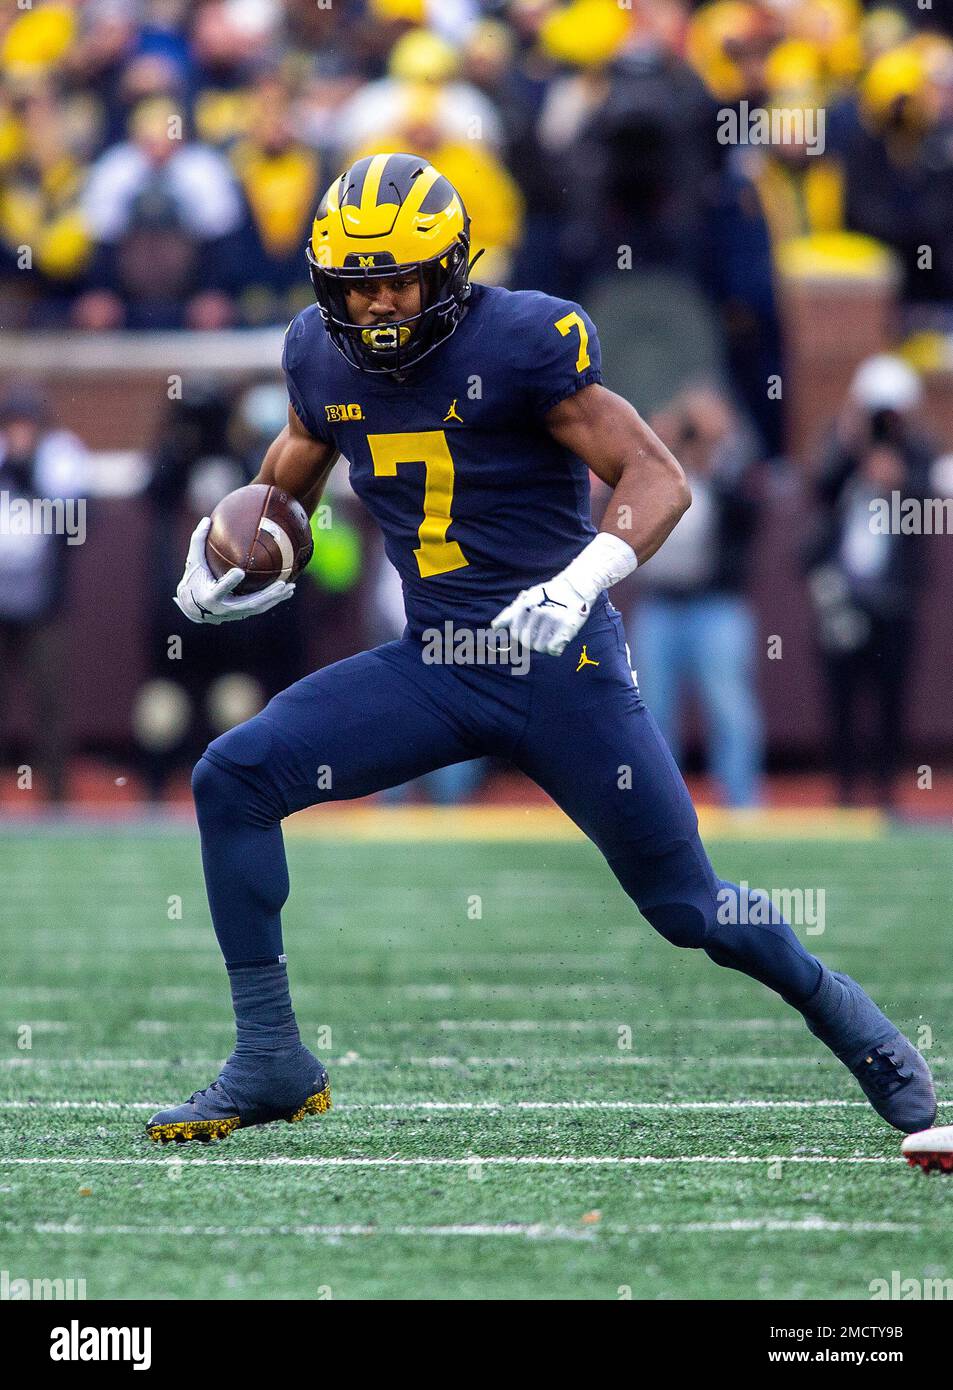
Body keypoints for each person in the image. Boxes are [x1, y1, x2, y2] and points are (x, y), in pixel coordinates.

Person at [147, 152, 935, 1145]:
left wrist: (583, 577)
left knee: (686, 906)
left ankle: (861, 1033)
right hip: (434, 664)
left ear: (449, 271)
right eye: (359, 285)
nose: (380, 307)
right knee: (233, 776)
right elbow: (279, 495)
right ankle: (269, 1058)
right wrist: (221, 564)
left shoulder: (522, 339)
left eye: (398, 281)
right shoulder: (316, 354)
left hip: (558, 664)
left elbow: (655, 475)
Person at [805, 354, 935, 808]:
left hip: (893, 596)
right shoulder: (844, 444)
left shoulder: (917, 451)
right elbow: (819, 490)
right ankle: (844, 792)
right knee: (841, 694)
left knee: (891, 697)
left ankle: (885, 793)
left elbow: (929, 506)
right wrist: (850, 440)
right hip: (843, 593)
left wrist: (899, 481)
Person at [627, 387, 764, 808]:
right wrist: (656, 444)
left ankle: (741, 803)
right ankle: (659, 808)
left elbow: (750, 512)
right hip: (659, 605)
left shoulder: (731, 469)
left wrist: (717, 451)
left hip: (716, 606)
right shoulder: (657, 466)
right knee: (651, 711)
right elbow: (616, 504)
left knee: (730, 708)